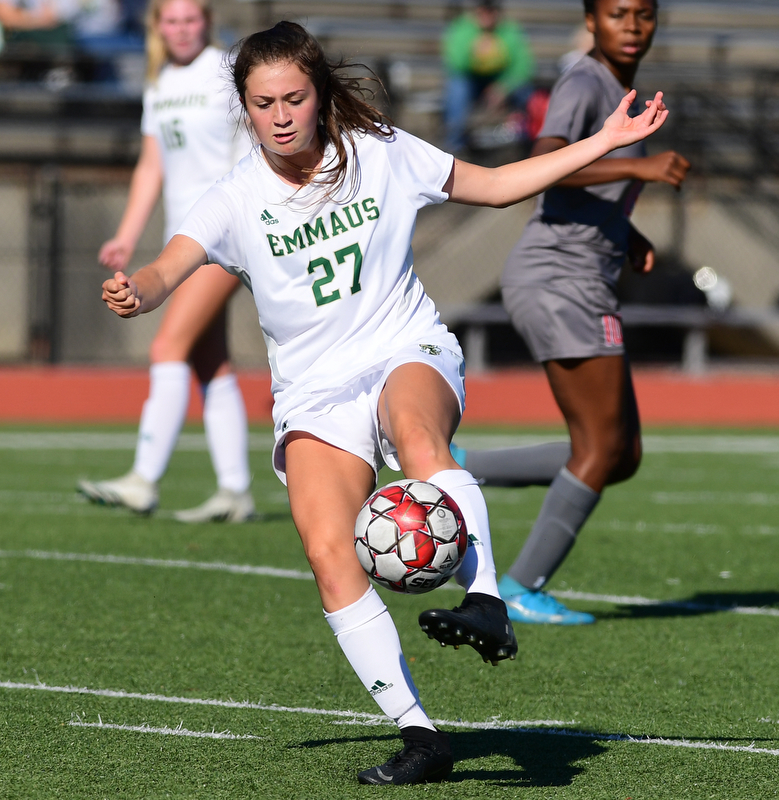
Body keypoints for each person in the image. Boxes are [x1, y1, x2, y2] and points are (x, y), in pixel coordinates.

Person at [100, 20, 668, 785]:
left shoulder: (380, 151)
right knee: (328, 552)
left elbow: (497, 187)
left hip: (405, 348)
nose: (279, 115)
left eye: (293, 97)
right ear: (243, 106)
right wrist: (140, 289)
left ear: (319, 91)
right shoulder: (235, 197)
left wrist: (602, 141)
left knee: (420, 441)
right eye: (262, 102)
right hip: (313, 394)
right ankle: (421, 735)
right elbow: (175, 262)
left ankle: (487, 599)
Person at [452, 0, 690, 626]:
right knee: (602, 444)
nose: (632, 25)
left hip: (581, 277)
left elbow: (588, 185)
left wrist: (626, 232)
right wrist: (640, 163)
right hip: (560, 278)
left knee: (622, 452)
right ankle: (523, 587)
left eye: (643, 14)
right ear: (591, 21)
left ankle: (464, 469)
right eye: (617, 14)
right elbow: (549, 160)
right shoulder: (584, 79)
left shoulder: (614, 83)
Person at [78, 0, 255, 523]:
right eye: (171, 20)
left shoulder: (228, 74)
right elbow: (152, 164)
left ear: (206, 21)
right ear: (158, 26)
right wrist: (127, 236)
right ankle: (235, 492)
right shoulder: (159, 85)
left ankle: (143, 479)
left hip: (224, 238)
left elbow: (252, 155)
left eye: (191, 19)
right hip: (183, 240)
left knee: (166, 345)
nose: (181, 29)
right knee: (209, 362)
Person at [441, 0, 535, 154]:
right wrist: (473, 53)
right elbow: (455, 64)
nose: (487, 15)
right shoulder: (462, 28)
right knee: (457, 89)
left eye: (491, 11)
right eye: (483, 11)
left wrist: (503, 87)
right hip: (471, 80)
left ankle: (528, 138)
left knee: (527, 92)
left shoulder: (510, 30)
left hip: (500, 79)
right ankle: (454, 144)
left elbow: (523, 67)